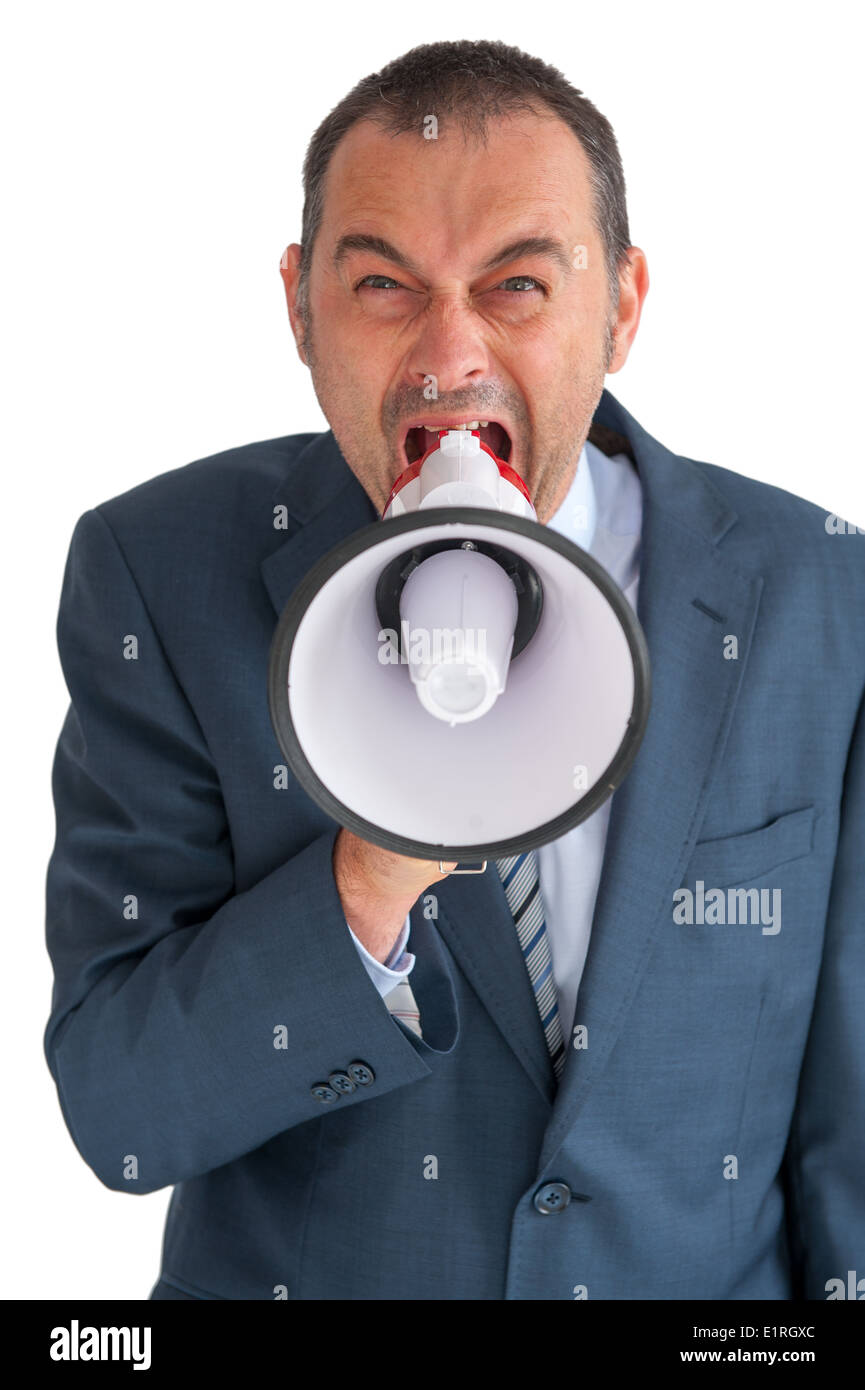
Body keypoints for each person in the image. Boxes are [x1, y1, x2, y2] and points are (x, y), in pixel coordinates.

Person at [44, 38, 865, 1302]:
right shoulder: (157, 573)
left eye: (518, 286)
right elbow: (121, 1113)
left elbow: (848, 1148)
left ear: (625, 307)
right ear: (297, 306)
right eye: (381, 285)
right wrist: (370, 876)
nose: (446, 353)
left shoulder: (821, 592)